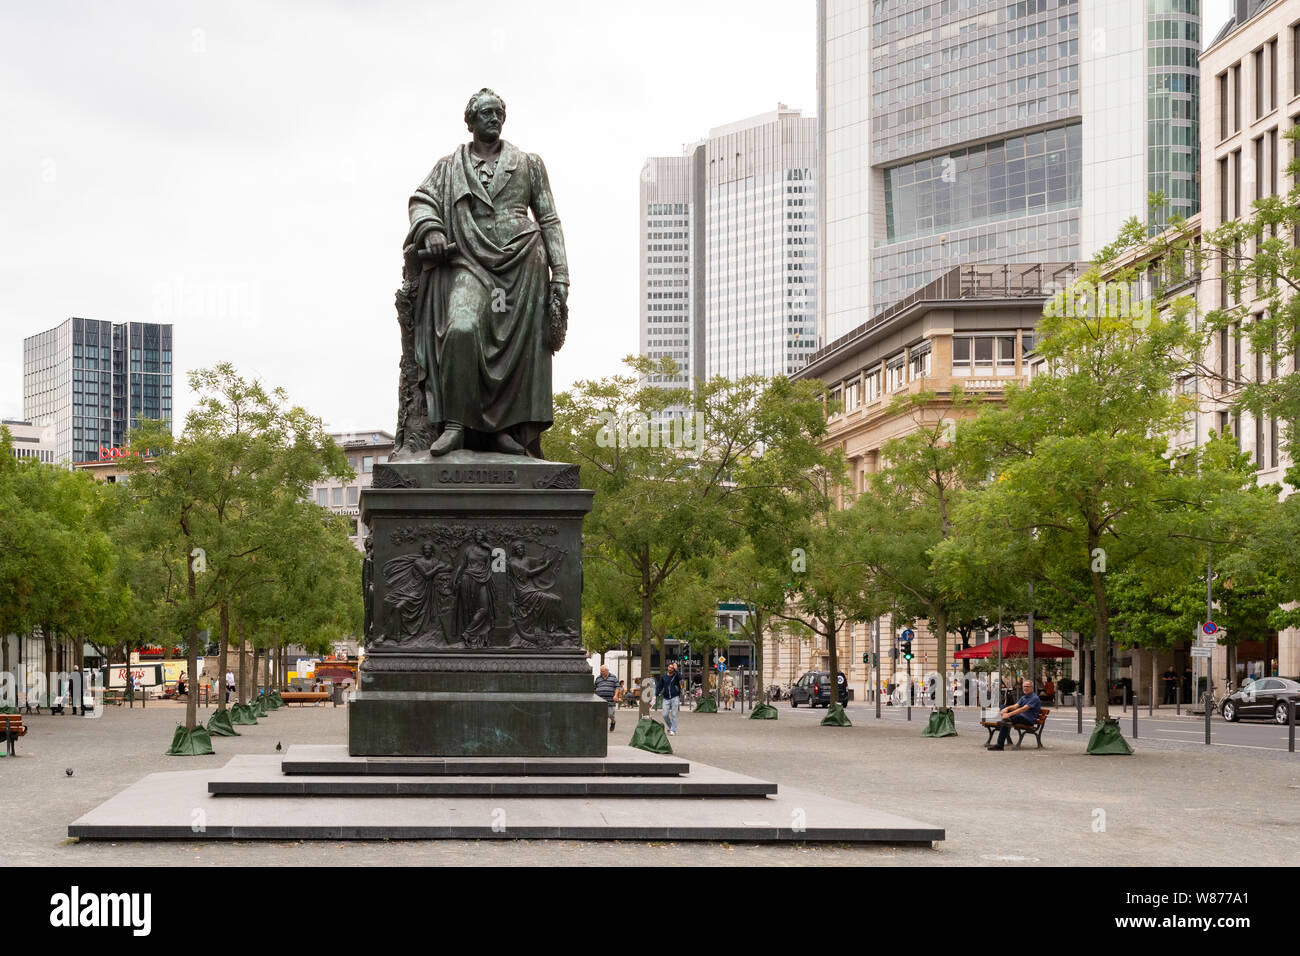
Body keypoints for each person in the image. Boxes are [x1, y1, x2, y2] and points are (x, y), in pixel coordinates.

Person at [400, 87, 569, 459]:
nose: (494, 118)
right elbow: (421, 201)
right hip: (468, 262)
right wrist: (431, 230)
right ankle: (457, 424)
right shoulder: (450, 166)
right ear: (470, 121)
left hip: (522, 263)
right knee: (461, 328)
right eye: (486, 113)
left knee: (516, 347)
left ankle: (503, 430)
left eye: (498, 113)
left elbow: (549, 219)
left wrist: (561, 275)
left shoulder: (529, 164)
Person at [988, 679, 1041, 751]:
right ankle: (1004, 722)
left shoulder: (1034, 698)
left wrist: (1008, 714)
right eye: (1024, 686)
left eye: (1028, 686)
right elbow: (1015, 706)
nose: (1025, 688)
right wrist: (1006, 710)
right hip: (1020, 717)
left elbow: (1023, 709)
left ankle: (1000, 745)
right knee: (1003, 708)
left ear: (1032, 688)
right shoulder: (1023, 697)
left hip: (1028, 720)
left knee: (1007, 720)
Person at [657, 661, 684, 736]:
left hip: (675, 697)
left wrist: (677, 670)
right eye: (669, 667)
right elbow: (659, 686)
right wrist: (655, 694)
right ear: (667, 668)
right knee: (665, 715)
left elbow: (681, 679)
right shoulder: (664, 677)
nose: (670, 669)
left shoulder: (676, 676)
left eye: (672, 668)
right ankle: (671, 727)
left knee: (674, 714)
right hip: (666, 698)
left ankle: (673, 730)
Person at [594, 665, 619, 732]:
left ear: (607, 670)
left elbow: (617, 687)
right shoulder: (598, 678)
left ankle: (613, 721)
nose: (602, 672)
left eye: (603, 671)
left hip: (610, 699)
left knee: (610, 714)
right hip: (600, 699)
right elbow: (595, 687)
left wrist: (616, 695)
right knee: (600, 714)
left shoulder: (613, 677)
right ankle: (601, 727)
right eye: (601, 671)